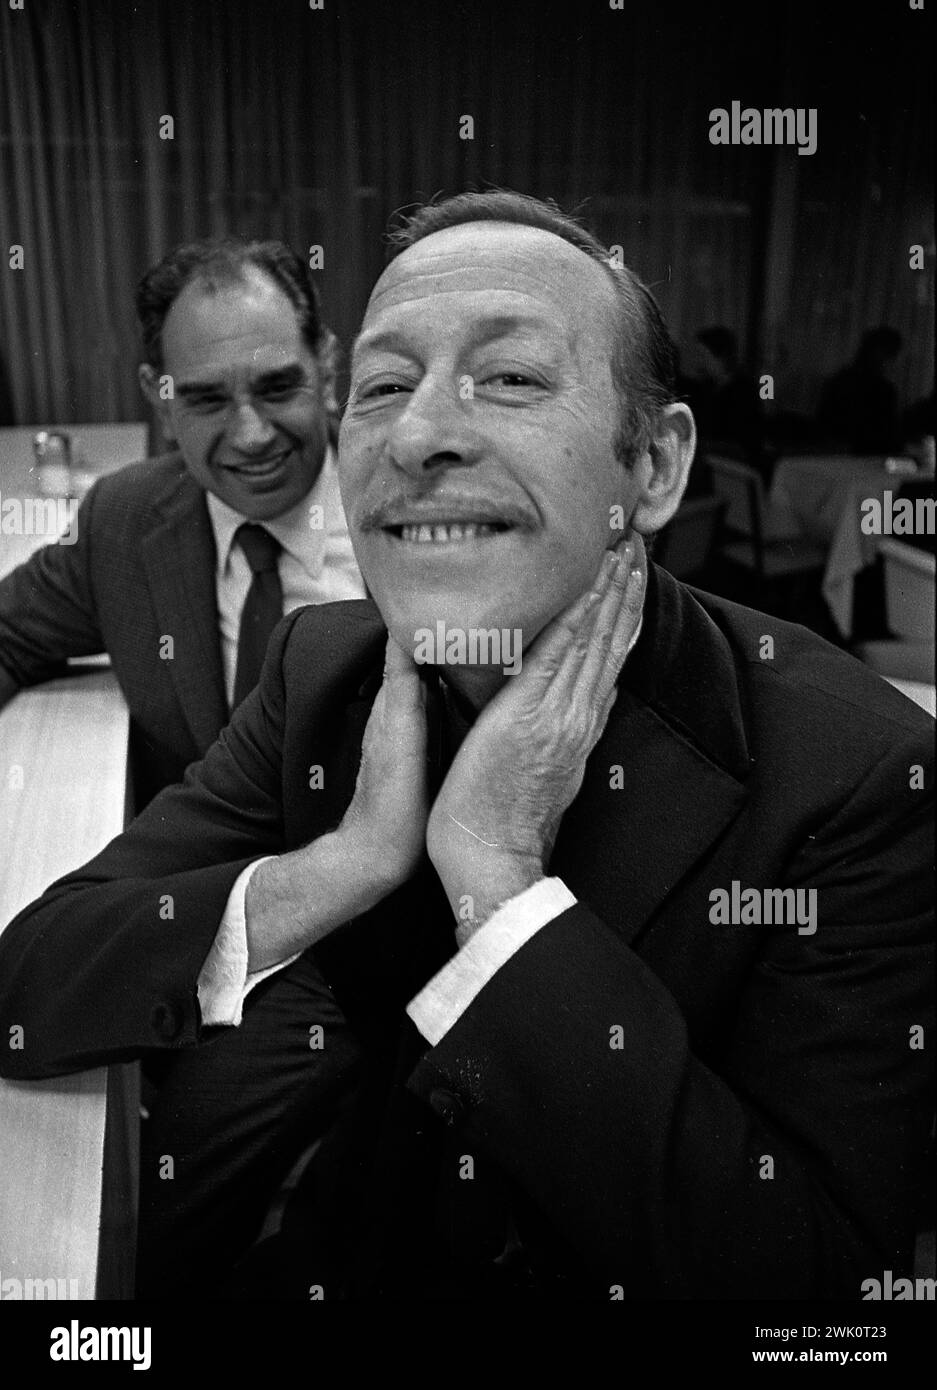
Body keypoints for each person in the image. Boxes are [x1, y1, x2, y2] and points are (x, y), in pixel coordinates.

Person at [0, 192, 931, 1302]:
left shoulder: (858, 774)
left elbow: (814, 1291)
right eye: (387, 386)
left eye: (513, 378)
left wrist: (498, 883)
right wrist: (343, 863)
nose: (418, 432)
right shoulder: (324, 672)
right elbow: (35, 981)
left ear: (653, 468)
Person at [0, 236, 365, 807]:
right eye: (207, 400)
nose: (251, 436)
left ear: (326, 368)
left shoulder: (411, 516)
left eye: (276, 388)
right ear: (160, 398)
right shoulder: (123, 521)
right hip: (205, 883)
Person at [816, 327, 903, 455]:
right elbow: (885, 434)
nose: (895, 362)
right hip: (862, 458)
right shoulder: (882, 390)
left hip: (831, 454)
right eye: (893, 355)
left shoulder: (839, 379)